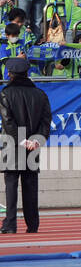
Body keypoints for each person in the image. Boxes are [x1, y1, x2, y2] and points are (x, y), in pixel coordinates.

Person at [0, 57, 51, 234]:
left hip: (13, 145)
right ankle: (33, 224)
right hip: (33, 147)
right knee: (30, 186)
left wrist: (22, 141)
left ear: (10, 74)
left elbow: (8, 122)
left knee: (11, 186)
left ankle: (10, 224)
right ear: (27, 73)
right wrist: (35, 141)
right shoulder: (40, 94)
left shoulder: (6, 93)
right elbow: (46, 122)